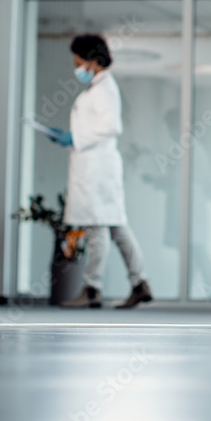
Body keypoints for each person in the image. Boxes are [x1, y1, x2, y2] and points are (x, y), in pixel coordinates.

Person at [52, 34, 153, 309]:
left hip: (97, 167)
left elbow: (111, 126)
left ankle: (92, 288)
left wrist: (75, 137)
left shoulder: (104, 88)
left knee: (96, 226)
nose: (77, 68)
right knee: (117, 227)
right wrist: (72, 137)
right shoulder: (98, 88)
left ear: (94, 62)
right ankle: (139, 282)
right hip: (97, 166)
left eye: (79, 62)